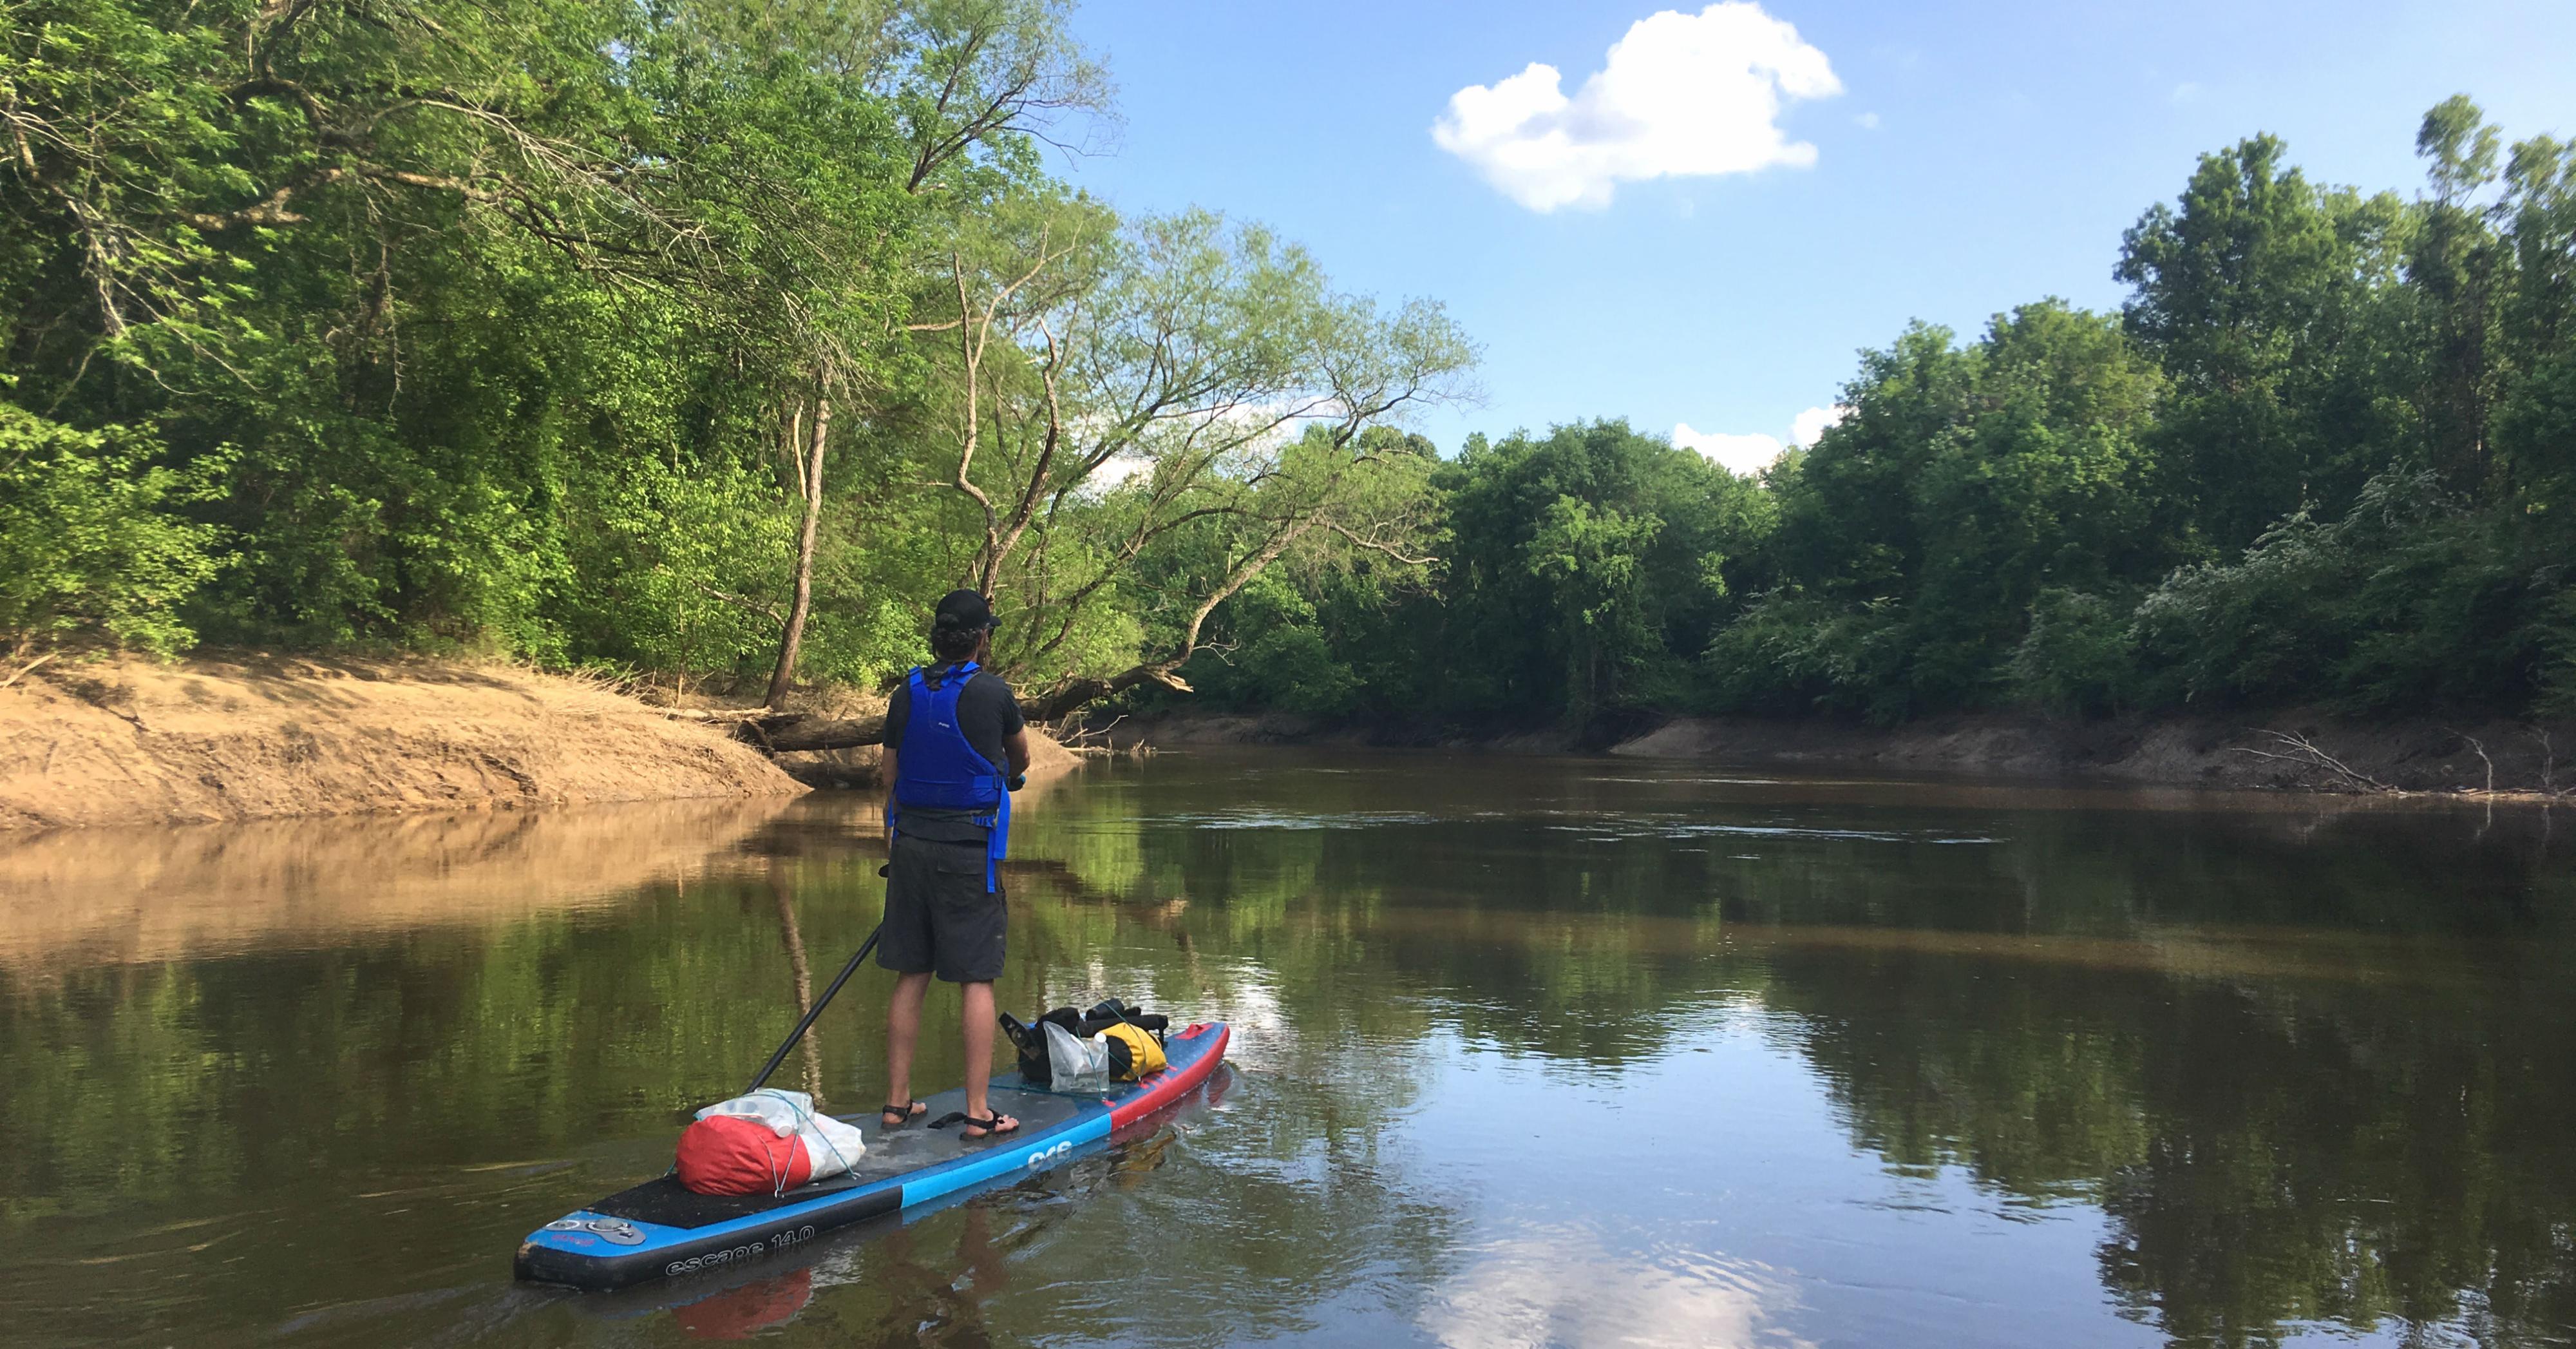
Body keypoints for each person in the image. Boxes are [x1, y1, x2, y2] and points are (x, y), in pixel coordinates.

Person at [877, 589, 1032, 1140]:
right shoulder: (995, 693)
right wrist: (1008, 779)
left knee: (911, 972)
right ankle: (977, 1113)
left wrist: (895, 843)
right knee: (976, 978)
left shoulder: (906, 693)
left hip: (911, 848)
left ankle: (896, 1104)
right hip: (969, 852)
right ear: (981, 638)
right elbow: (1021, 760)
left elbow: (888, 775)